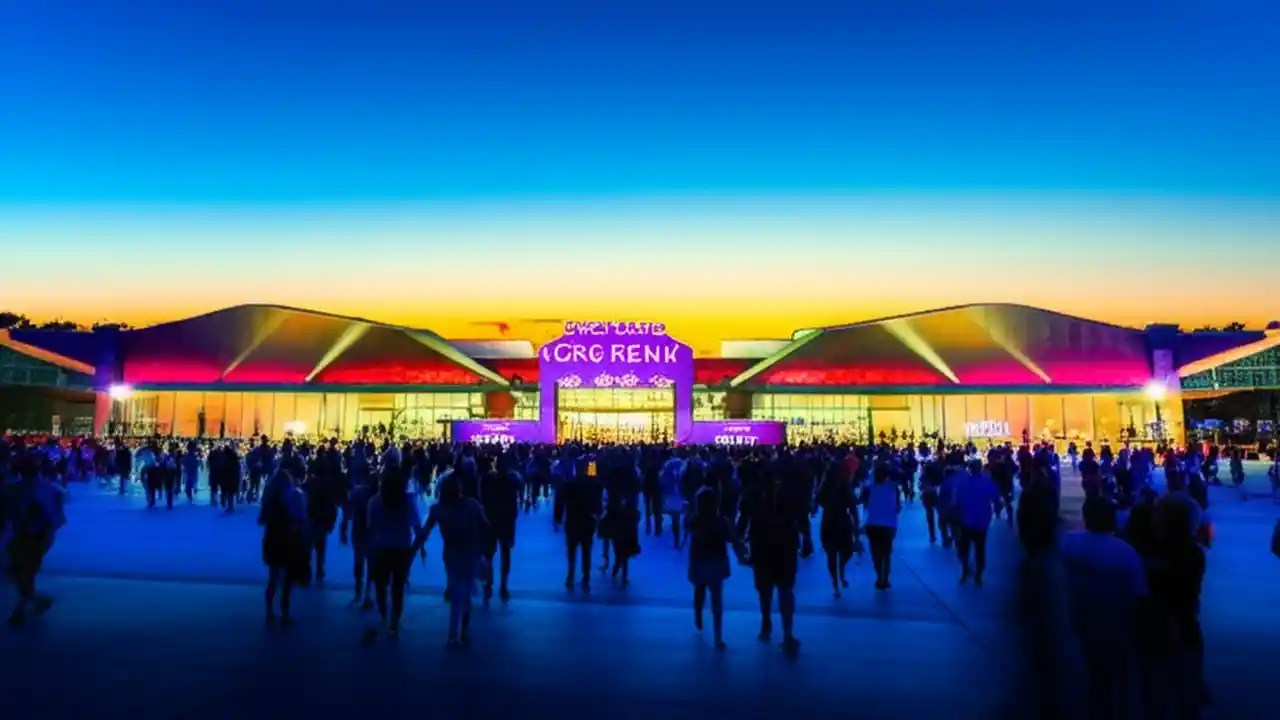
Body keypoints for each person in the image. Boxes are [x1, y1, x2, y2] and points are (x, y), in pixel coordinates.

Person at [1061, 498, 1149, 720]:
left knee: (1090, 672)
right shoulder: (1125, 553)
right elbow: (1140, 592)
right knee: (1118, 673)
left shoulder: (1069, 543)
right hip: (1117, 623)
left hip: (1079, 619)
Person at [738, 457, 809, 652]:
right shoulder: (789, 492)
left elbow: (743, 519)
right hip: (781, 546)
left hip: (765, 546)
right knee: (780, 590)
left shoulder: (753, 494)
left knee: (768, 589)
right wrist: (807, 538)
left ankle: (769, 624)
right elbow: (802, 517)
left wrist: (739, 544)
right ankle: (782, 630)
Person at [416, 474, 490, 647]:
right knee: (465, 592)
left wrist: (413, 551)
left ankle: (453, 633)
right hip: (471, 553)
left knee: (456, 591)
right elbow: (486, 526)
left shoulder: (439, 510)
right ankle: (462, 628)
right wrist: (486, 551)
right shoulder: (472, 505)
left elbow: (424, 532)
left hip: (452, 555)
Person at [2, 458, 66, 626]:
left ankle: (23, 607)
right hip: (36, 535)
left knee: (20, 572)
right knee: (24, 572)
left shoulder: (13, 489)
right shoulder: (49, 489)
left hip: (24, 535)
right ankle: (30, 603)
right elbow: (58, 517)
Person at [366, 470, 423, 636]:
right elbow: (417, 528)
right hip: (402, 548)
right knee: (398, 586)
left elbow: (371, 528)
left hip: (381, 548)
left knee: (380, 584)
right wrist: (414, 549)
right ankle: (394, 620)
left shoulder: (375, 502)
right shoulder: (408, 502)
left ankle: (383, 611)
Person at [686, 486, 744, 649]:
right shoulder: (720, 521)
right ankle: (718, 635)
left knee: (699, 590)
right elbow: (731, 538)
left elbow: (690, 531)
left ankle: (698, 613)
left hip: (700, 561)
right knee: (716, 598)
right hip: (716, 561)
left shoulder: (695, 520)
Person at [257, 469, 306, 626]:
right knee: (287, 580)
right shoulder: (295, 495)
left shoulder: (269, 500)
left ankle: (269, 611)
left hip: (271, 539)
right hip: (288, 540)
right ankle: (285, 613)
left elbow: (262, 520)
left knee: (273, 578)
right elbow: (300, 518)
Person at [816, 458, 857, 597]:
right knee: (846, 551)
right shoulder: (844, 486)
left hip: (828, 521)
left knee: (831, 554)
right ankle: (841, 573)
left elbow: (818, 501)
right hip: (842, 521)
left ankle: (835, 582)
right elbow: (852, 507)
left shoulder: (826, 487)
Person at [956, 459, 998, 586]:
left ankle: (964, 572)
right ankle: (978, 575)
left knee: (965, 548)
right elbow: (996, 498)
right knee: (980, 548)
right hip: (982, 520)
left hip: (966, 520)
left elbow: (958, 501)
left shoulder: (964, 483)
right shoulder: (987, 482)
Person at [340, 473, 377, 609]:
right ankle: (367, 593)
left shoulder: (356, 492)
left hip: (359, 531)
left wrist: (343, 527)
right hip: (372, 533)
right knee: (371, 563)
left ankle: (358, 592)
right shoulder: (378, 494)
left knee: (358, 561)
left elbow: (347, 511)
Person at [863, 463, 901, 590]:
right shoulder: (893, 488)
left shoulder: (869, 488)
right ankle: (885, 578)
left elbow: (863, 502)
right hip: (888, 524)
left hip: (873, 523)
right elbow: (898, 507)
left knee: (875, 553)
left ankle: (879, 576)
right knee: (886, 554)